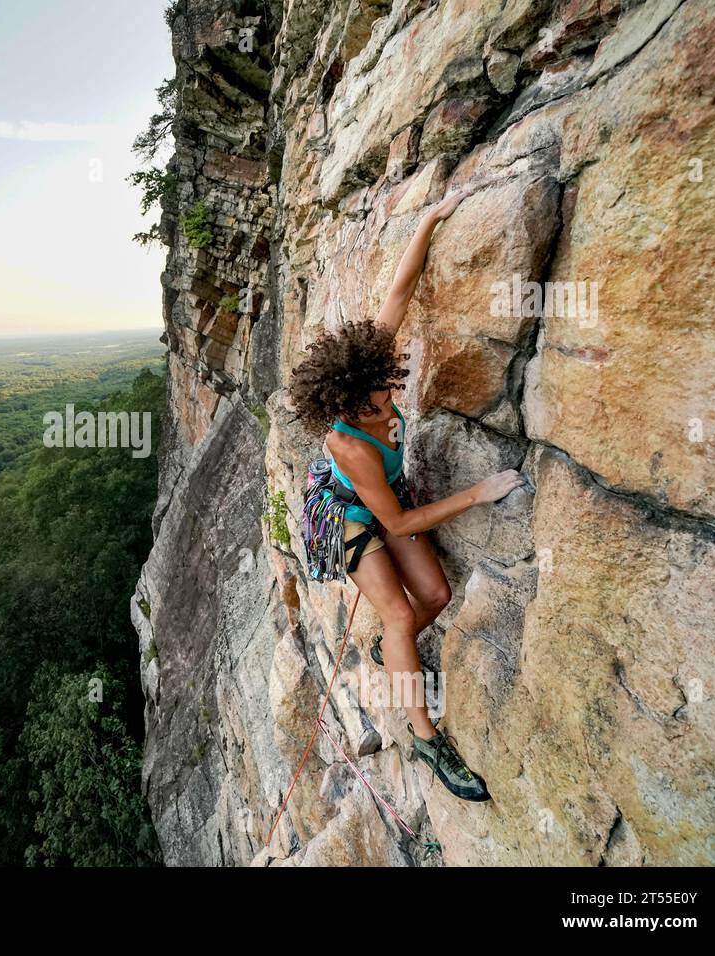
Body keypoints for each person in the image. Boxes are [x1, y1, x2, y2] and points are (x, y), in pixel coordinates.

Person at [289, 186, 525, 802]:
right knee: (398, 614)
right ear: (341, 408)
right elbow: (394, 523)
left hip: (388, 498)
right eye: (369, 406)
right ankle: (425, 736)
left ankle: (392, 653)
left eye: (382, 394)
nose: (384, 405)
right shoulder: (352, 447)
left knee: (436, 594)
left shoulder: (369, 369)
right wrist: (478, 494)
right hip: (349, 512)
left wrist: (429, 220)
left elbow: (400, 286)